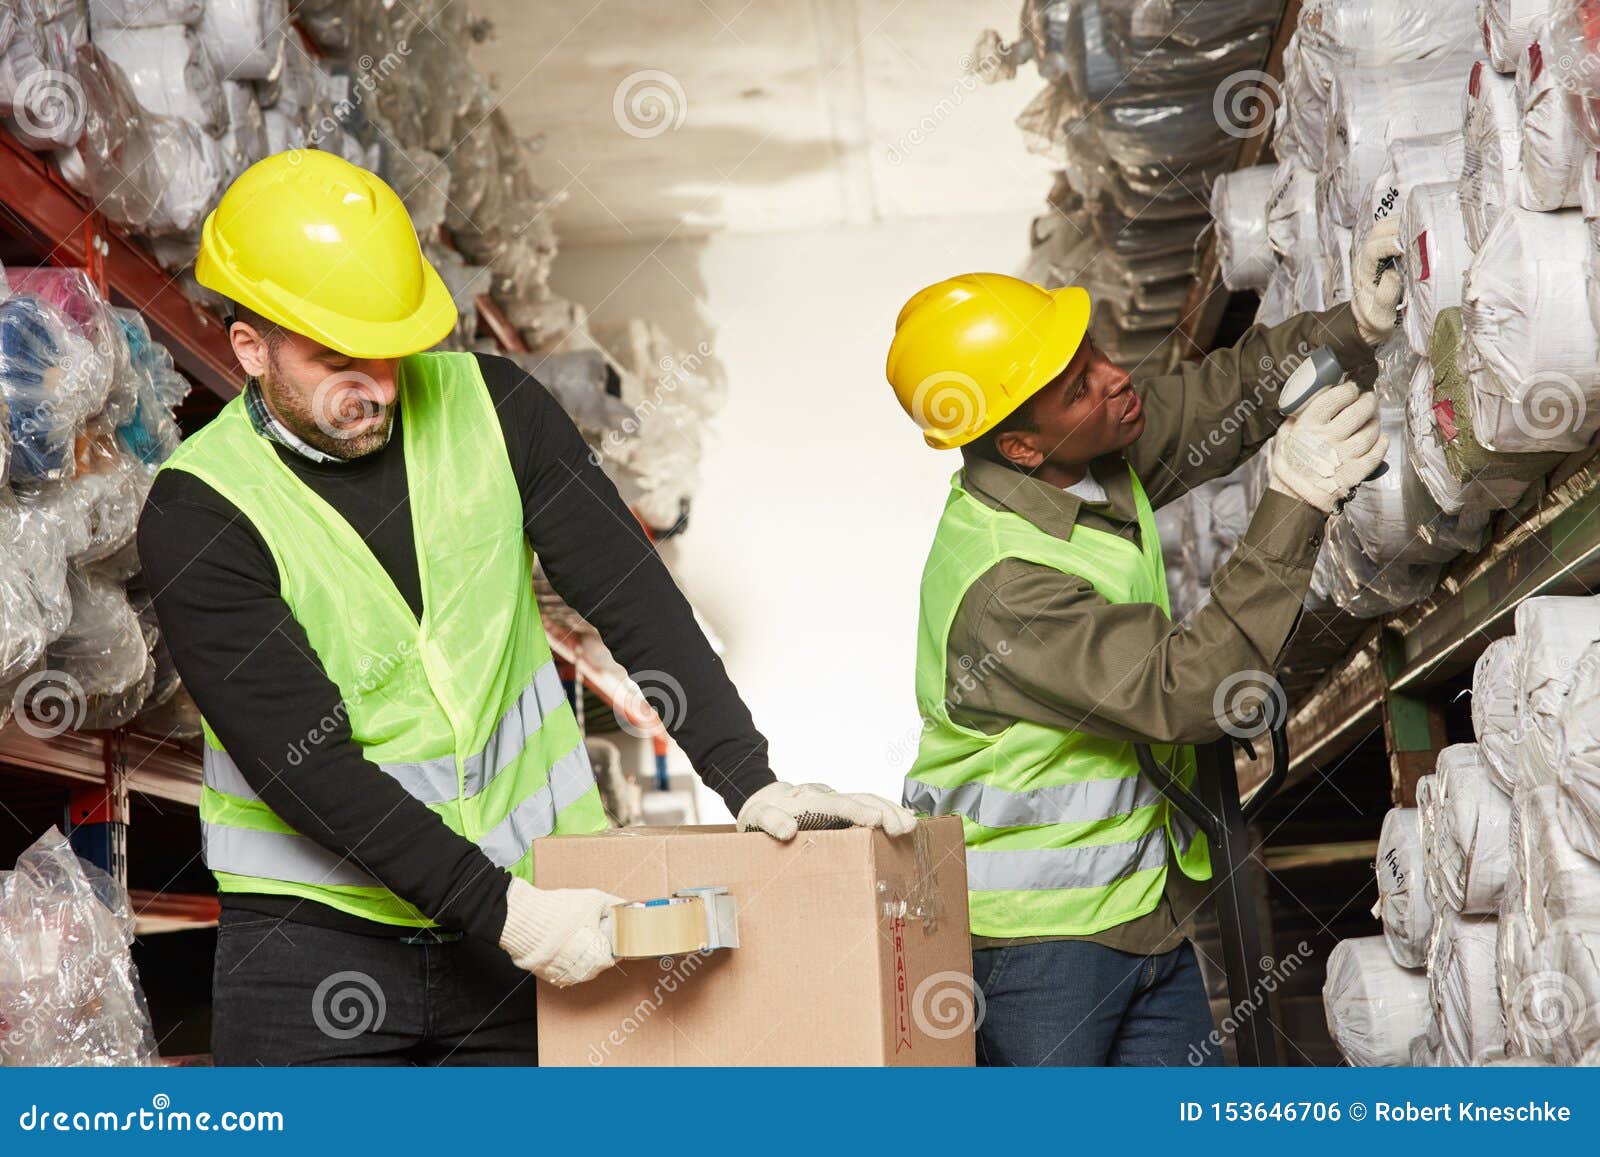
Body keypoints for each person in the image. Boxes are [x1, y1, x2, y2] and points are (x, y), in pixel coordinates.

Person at [137, 150, 914, 1066]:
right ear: (250, 349)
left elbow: (630, 597)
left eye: (390, 350)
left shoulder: (497, 410)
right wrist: (503, 910)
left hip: (517, 924)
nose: (379, 384)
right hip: (315, 947)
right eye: (337, 359)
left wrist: (751, 778)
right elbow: (304, 765)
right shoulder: (200, 509)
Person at [885, 227, 1400, 1066]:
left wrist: (1356, 329)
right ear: (1017, 443)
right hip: (1033, 946)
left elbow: (1216, 401)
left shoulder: (1079, 456)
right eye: (1077, 384)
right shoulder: (1003, 585)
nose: (1112, 376)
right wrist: (1299, 495)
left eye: (1091, 351)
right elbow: (1188, 689)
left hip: (1141, 914)